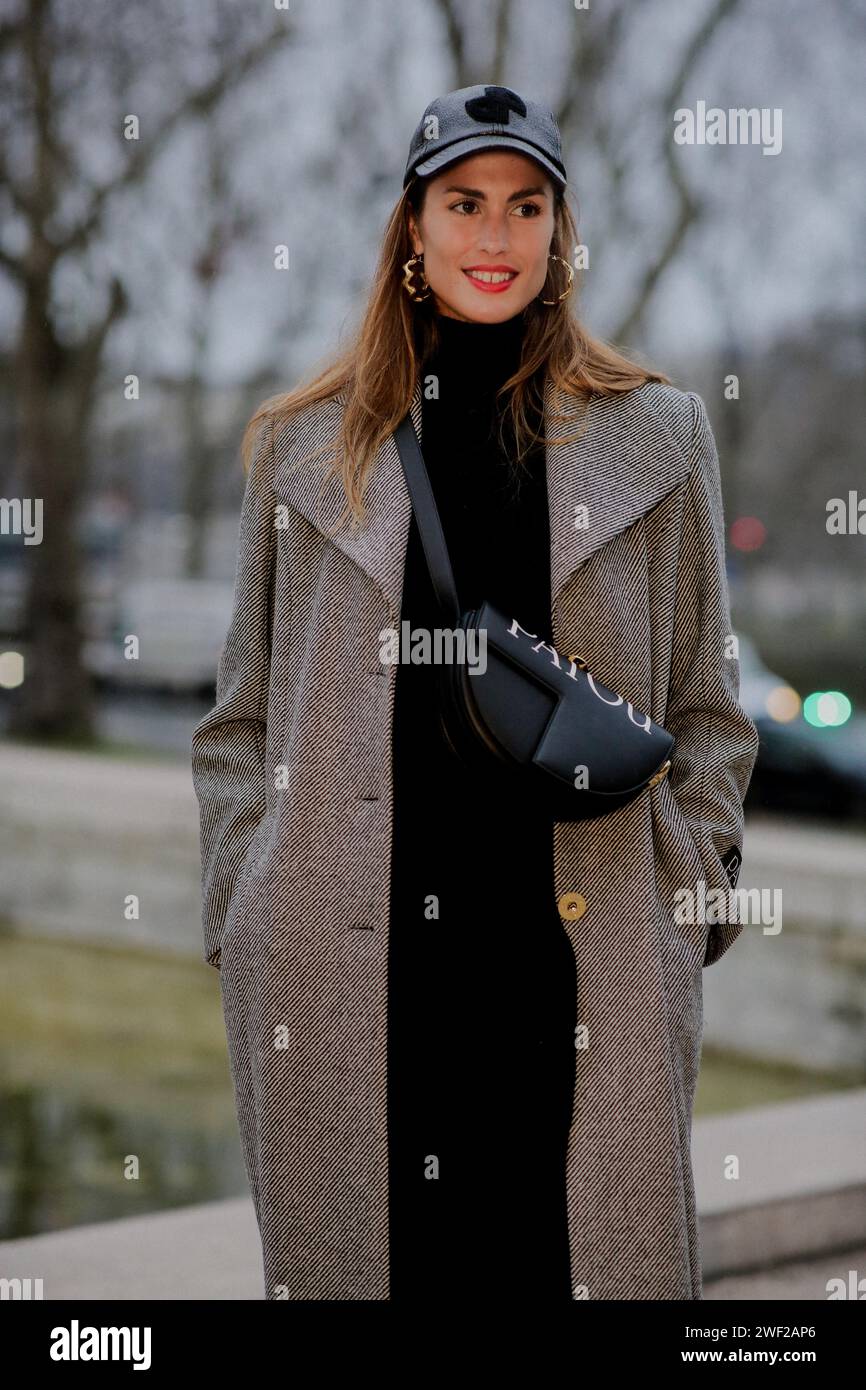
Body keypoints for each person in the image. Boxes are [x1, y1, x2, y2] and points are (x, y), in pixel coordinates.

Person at [190, 84, 759, 1302]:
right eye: (463, 204)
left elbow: (710, 712)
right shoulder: (299, 444)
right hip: (354, 981)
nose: (492, 237)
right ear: (413, 228)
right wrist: (245, 908)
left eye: (524, 206)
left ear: (559, 233)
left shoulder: (658, 435)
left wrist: (689, 898)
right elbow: (236, 722)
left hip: (576, 968)